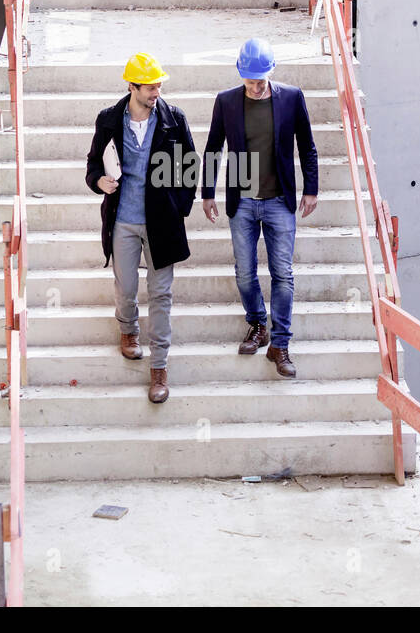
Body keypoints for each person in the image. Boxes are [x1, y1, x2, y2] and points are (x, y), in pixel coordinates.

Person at [200, 38, 317, 377]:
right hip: (243, 201)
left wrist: (311, 188)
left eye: (260, 80)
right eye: (249, 80)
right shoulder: (226, 102)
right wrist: (207, 193)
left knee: (283, 274)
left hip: (280, 200)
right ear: (240, 75)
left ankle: (280, 344)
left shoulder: (292, 98)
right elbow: (212, 149)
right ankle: (257, 324)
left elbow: (307, 147)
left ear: (271, 73)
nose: (254, 86)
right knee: (245, 273)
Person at [84, 53, 196, 403]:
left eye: (159, 85)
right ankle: (129, 330)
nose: (156, 92)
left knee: (161, 294)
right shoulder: (108, 120)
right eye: (150, 87)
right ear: (132, 87)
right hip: (124, 220)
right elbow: (92, 164)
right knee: (126, 286)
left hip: (162, 223)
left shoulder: (174, 119)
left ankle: (159, 367)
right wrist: (98, 181)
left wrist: (178, 208)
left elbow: (190, 169)